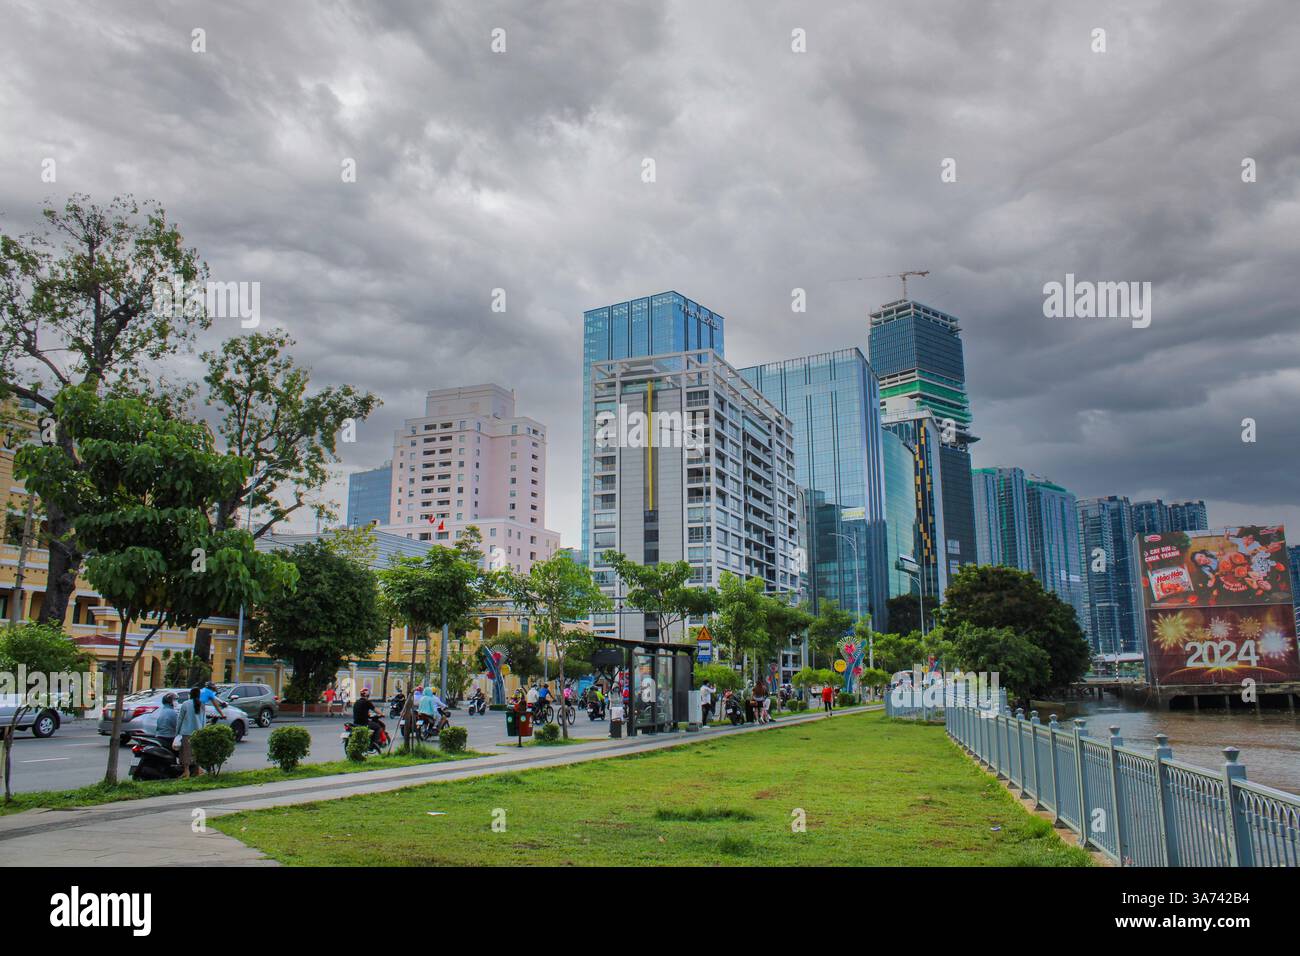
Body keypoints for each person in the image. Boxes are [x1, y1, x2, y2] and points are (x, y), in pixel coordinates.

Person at [177, 687, 205, 777]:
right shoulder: (202, 705)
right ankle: (197, 770)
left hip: (186, 732)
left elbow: (180, 718)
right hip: (198, 732)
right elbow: (204, 720)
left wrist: (177, 731)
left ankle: (187, 771)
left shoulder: (185, 704)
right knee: (196, 752)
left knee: (186, 752)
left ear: (191, 695)